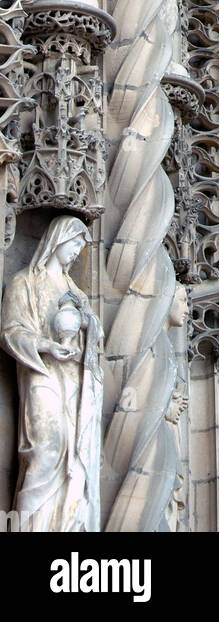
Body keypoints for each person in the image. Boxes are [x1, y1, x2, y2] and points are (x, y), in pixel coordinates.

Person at [1, 216, 103, 531]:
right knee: (45, 450)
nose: (75, 253)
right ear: (58, 239)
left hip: (74, 379)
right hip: (41, 374)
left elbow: (96, 341)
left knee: (75, 457)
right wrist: (46, 345)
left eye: (80, 247)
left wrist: (87, 327)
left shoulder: (77, 294)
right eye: (73, 244)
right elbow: (10, 332)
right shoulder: (24, 282)